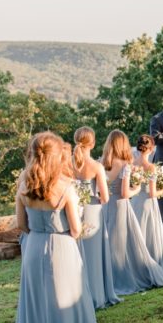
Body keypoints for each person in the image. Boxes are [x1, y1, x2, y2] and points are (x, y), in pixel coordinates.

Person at [9, 132, 105, 323]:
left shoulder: (23, 183)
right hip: (62, 248)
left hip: (33, 247)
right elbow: (74, 229)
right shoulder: (65, 187)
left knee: (37, 303)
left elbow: (22, 224)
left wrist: (39, 234)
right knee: (65, 301)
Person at [101, 131, 163, 293]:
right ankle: (133, 270)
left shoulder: (103, 162)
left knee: (113, 242)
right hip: (131, 203)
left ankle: (110, 276)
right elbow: (133, 192)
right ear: (151, 149)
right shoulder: (134, 165)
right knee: (128, 242)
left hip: (107, 206)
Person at [72, 126, 118, 310]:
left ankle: (79, 295)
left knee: (77, 254)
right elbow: (105, 197)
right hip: (92, 210)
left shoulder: (69, 163)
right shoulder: (96, 166)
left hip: (74, 211)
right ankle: (98, 294)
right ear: (92, 143)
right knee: (94, 255)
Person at [132, 135, 163, 270]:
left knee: (138, 233)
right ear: (151, 148)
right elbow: (152, 193)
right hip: (148, 204)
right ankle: (152, 262)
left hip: (135, 201)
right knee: (150, 233)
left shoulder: (132, 165)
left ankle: (138, 265)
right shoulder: (150, 167)